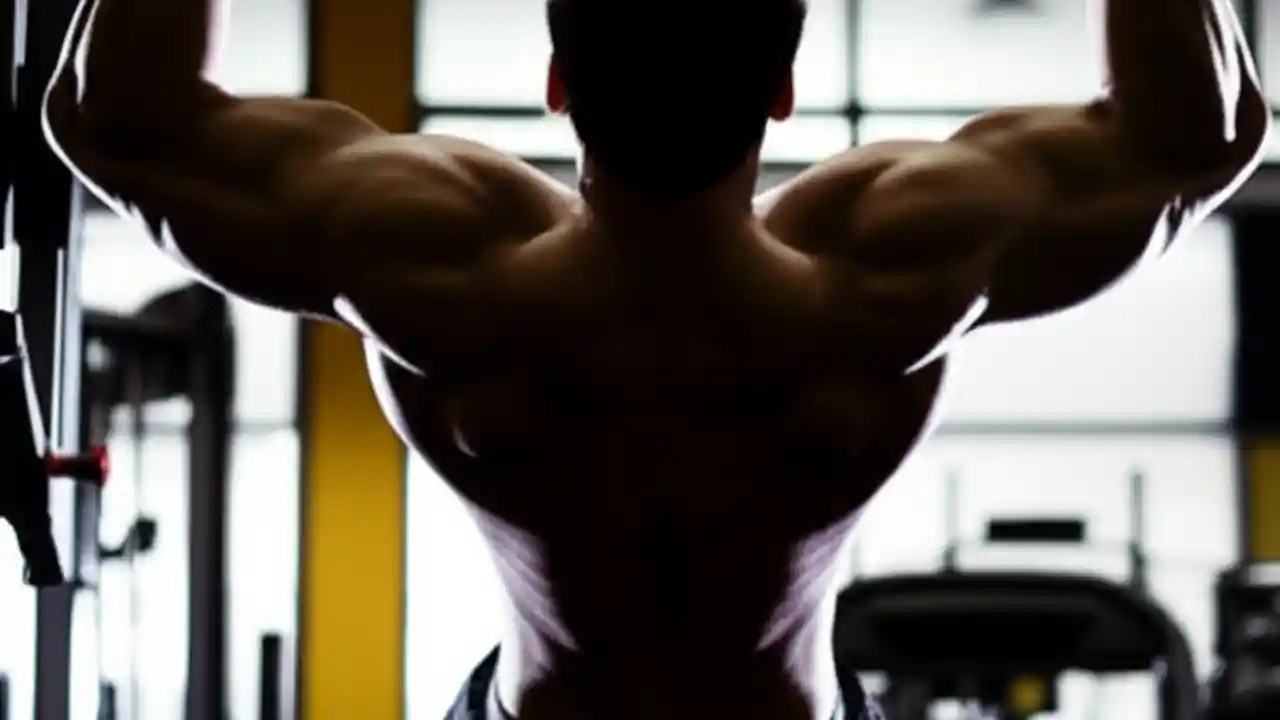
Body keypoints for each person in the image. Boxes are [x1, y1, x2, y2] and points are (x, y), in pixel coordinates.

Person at [44, 0, 1268, 718]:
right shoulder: (885, 273)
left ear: (559, 82)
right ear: (784, 88)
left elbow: (113, 122)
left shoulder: (438, 265)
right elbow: (1198, 135)